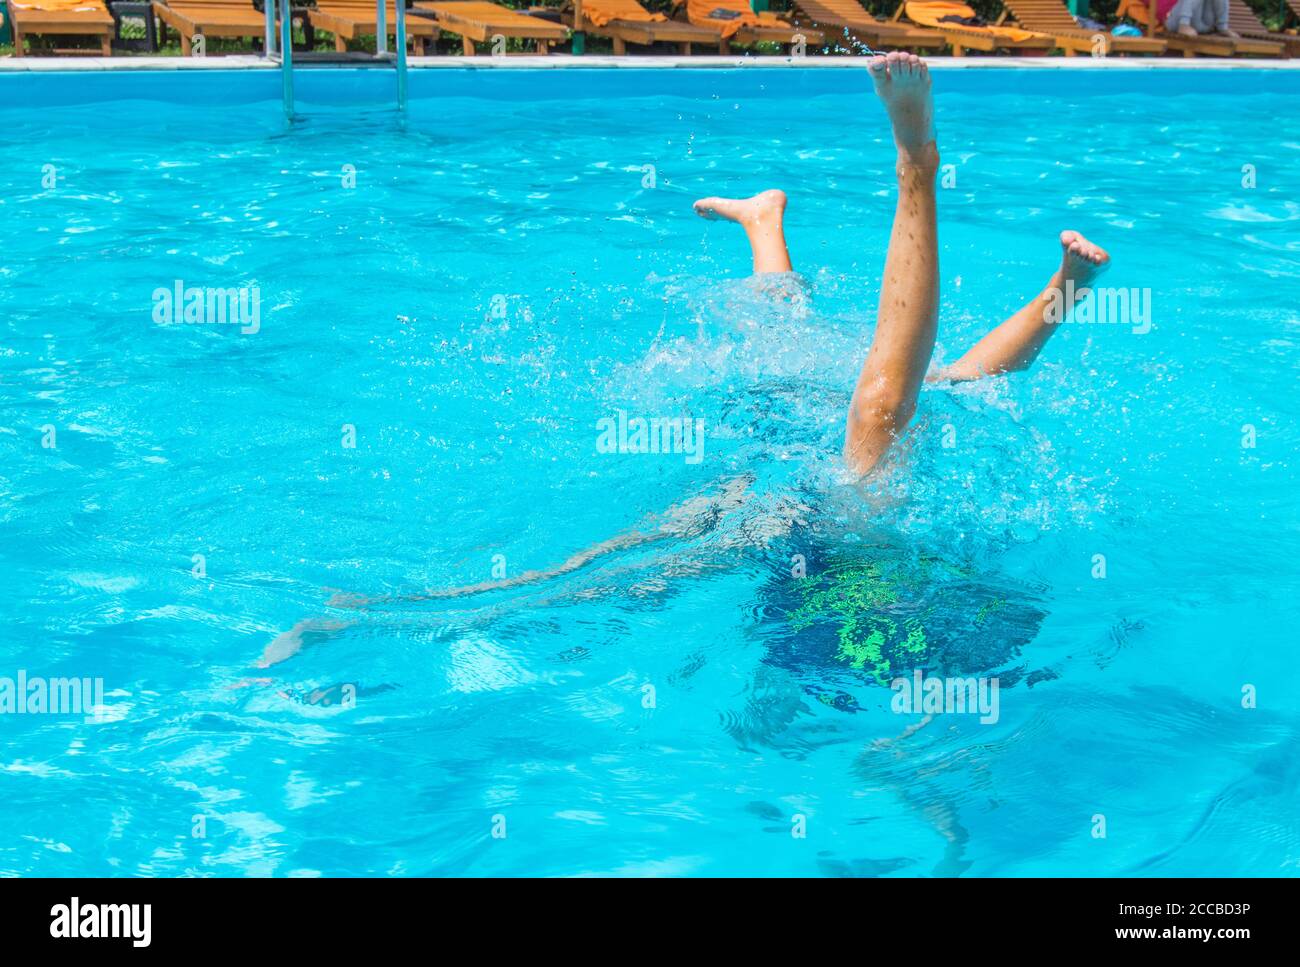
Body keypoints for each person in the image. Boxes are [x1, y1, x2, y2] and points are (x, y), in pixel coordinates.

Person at [258, 53, 1110, 667]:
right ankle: (915, 164)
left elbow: (571, 586)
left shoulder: (795, 539)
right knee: (898, 398)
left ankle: (771, 223)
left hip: (799, 501)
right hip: (812, 507)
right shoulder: (850, 526)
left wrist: (374, 616)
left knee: (878, 381)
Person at [695, 51, 1109, 476]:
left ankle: (915, 162)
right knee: (950, 384)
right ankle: (1065, 291)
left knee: (876, 404)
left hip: (792, 471)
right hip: (810, 486)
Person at [1161, 0, 1239, 38]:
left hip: (1204, 23)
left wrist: (1223, 26)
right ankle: (1184, 25)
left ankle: (1222, 27)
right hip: (1177, 21)